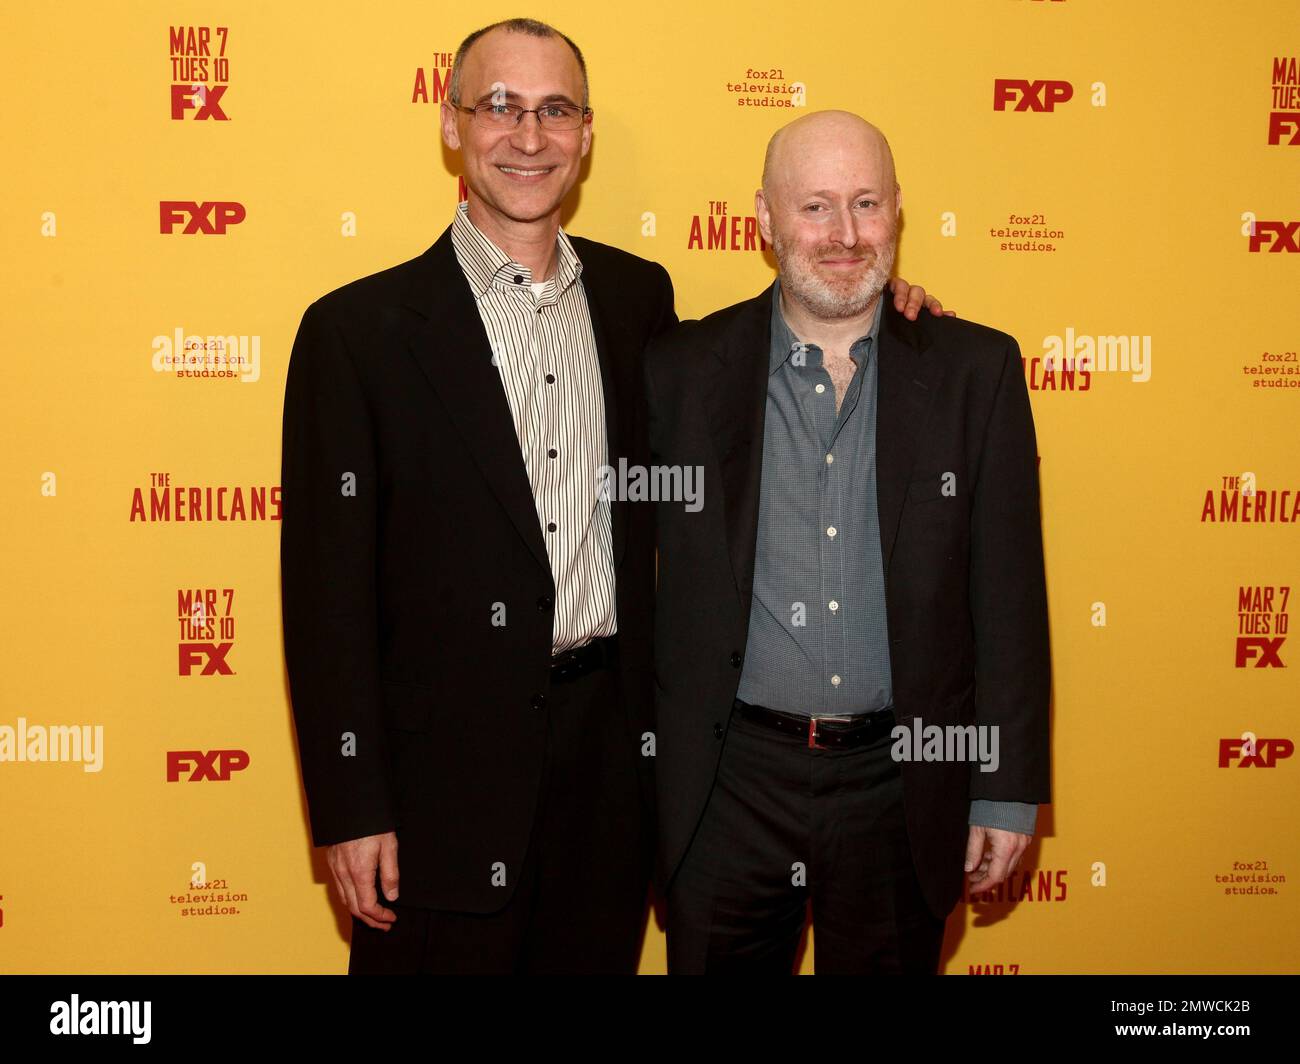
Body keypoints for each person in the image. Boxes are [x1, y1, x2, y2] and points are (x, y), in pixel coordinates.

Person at [281, 19, 943, 974]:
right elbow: (324, 600)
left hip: (614, 769)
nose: (529, 135)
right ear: (451, 124)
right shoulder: (356, 334)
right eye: (499, 107)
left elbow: (773, 349)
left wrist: (883, 303)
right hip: (440, 786)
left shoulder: (640, 304)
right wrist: (351, 809)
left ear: (586, 134)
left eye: (555, 109)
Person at [645, 110, 1051, 974]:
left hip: (900, 784)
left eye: (866, 204)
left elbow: (1009, 599)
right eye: (816, 207)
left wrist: (1008, 789)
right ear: (763, 218)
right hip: (727, 786)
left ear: (899, 211)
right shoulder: (677, 371)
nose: (844, 235)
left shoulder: (976, 372)